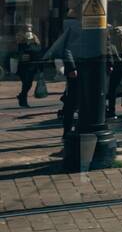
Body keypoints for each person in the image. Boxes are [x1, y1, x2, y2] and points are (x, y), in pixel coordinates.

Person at [44, 7, 83, 137]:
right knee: (75, 101)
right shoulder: (74, 26)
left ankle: (69, 130)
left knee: (72, 101)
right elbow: (68, 49)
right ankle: (70, 131)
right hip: (77, 68)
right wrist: (72, 67)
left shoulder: (69, 25)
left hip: (76, 68)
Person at [14, 22, 42, 108]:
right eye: (27, 27)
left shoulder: (34, 37)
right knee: (26, 83)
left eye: (30, 27)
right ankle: (23, 100)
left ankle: (22, 96)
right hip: (24, 65)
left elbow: (38, 49)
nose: (29, 29)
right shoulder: (21, 36)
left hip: (33, 64)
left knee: (29, 83)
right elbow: (21, 50)